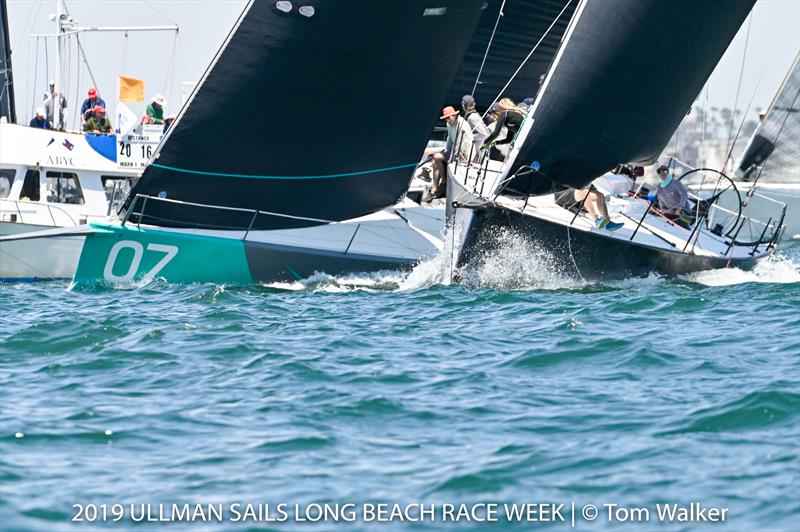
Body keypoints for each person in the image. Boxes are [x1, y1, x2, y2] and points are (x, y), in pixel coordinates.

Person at [425, 106, 474, 202]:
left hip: (465, 154)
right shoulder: (449, 124)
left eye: (449, 117)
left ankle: (443, 182)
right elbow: (450, 139)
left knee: (437, 157)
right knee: (435, 161)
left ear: (454, 115)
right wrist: (446, 151)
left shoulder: (462, 125)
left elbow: (463, 145)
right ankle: (434, 189)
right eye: (445, 118)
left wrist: (451, 156)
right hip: (455, 151)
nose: (447, 120)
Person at [555, 186, 624, 231]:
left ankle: (607, 222)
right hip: (561, 194)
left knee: (599, 195)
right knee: (585, 192)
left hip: (575, 193)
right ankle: (596, 220)